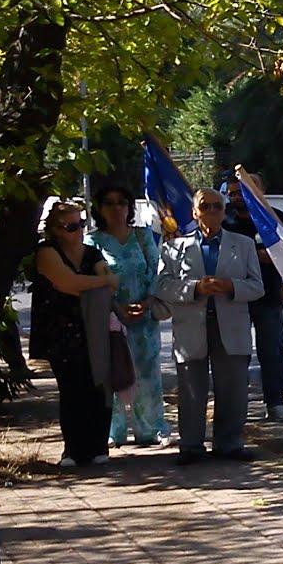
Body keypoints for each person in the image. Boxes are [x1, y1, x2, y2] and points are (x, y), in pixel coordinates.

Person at [156, 187, 265, 464]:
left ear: (225, 211)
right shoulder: (173, 248)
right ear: (195, 213)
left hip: (231, 326)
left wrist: (230, 286)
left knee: (233, 389)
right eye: (206, 206)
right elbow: (162, 286)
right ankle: (191, 446)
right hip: (191, 328)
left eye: (218, 206)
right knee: (191, 389)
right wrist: (195, 288)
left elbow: (257, 287)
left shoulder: (244, 244)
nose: (213, 211)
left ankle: (229, 444)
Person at [31, 199, 118, 466]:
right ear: (55, 229)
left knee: (98, 385)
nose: (78, 230)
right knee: (71, 388)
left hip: (93, 328)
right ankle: (73, 449)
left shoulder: (92, 253)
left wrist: (98, 282)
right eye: (71, 226)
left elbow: (111, 284)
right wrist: (101, 282)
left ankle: (98, 446)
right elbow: (67, 282)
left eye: (81, 224)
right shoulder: (47, 251)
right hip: (60, 331)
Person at [89, 183, 169, 447]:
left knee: (148, 374)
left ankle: (153, 428)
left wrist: (147, 301)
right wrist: (116, 307)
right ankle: (114, 431)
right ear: (99, 209)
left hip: (143, 318)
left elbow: (156, 271)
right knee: (113, 372)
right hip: (110, 319)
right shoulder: (93, 242)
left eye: (121, 202)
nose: (116, 208)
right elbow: (93, 281)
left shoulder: (142, 237)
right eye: (109, 203)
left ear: (129, 207)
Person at [224, 172, 283, 422]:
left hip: (269, 294)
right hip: (234, 297)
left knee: (271, 351)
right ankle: (235, 406)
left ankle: (275, 402)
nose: (236, 197)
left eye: (241, 192)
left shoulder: (274, 217)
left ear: (258, 191)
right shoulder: (224, 219)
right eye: (232, 193)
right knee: (235, 354)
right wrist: (257, 255)